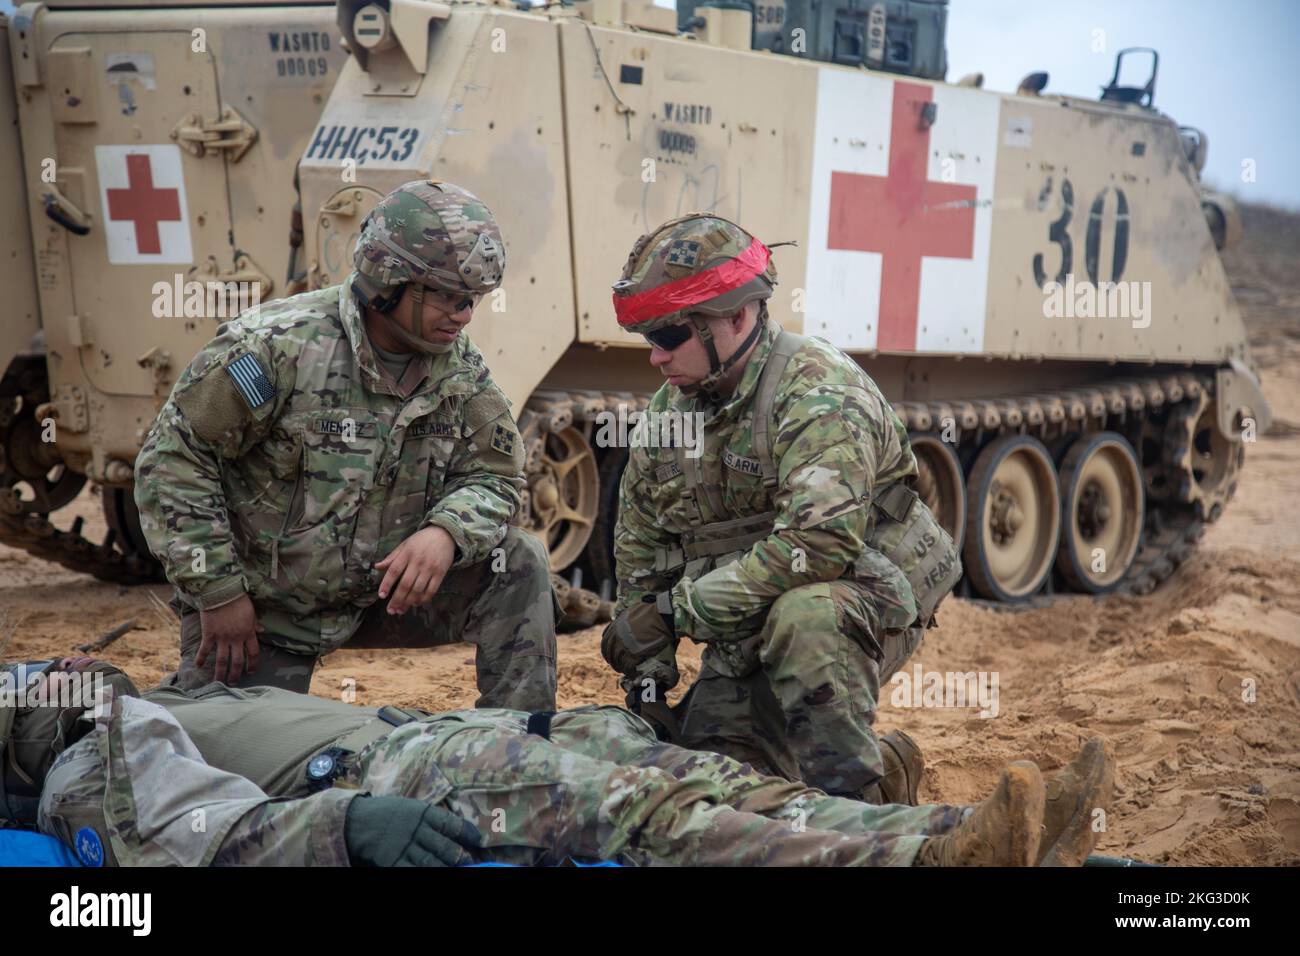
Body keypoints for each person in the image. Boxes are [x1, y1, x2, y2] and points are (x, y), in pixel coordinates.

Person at [1, 659, 1114, 867]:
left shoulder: (103, 698)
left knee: (690, 772)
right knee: (651, 813)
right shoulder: (74, 751)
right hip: (404, 781)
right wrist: (345, 829)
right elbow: (202, 841)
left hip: (436, 732)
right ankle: (920, 868)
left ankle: (957, 827)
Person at [133, 180, 556, 709]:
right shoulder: (277, 347)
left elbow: (497, 475)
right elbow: (173, 460)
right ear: (390, 283)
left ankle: (519, 746)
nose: (465, 315)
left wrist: (447, 532)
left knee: (518, 561)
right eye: (449, 297)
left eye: (472, 300)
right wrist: (216, 592)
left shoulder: (459, 368)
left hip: (387, 594)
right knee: (234, 758)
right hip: (263, 611)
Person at [601, 215, 962, 804]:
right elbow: (644, 548)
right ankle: (880, 766)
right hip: (751, 619)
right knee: (718, 780)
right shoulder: (670, 415)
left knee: (806, 624)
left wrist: (675, 614)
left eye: (669, 337)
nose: (655, 358)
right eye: (649, 340)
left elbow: (817, 549)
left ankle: (867, 806)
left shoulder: (818, 391)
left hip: (863, 591)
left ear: (736, 317)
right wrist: (648, 674)